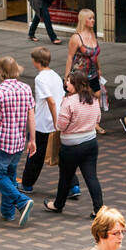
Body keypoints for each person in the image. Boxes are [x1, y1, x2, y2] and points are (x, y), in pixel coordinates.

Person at [44, 71, 103, 216]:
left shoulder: (68, 101)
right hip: (90, 143)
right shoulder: (93, 99)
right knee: (91, 177)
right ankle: (99, 209)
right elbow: (98, 119)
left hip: (71, 146)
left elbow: (61, 126)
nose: (66, 84)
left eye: (69, 82)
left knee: (65, 176)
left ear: (75, 84)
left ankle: (58, 204)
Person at [0, 57, 36, 225]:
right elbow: (31, 116)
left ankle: (21, 201)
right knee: (10, 175)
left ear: (1, 71)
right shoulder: (26, 88)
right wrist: (32, 140)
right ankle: (7, 212)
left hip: (3, 140)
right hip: (19, 140)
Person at [21, 46, 65, 193]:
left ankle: (27, 184)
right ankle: (73, 185)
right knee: (61, 154)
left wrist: (55, 121)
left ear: (36, 61)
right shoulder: (56, 76)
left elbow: (50, 101)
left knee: (35, 154)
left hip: (44, 123)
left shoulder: (40, 78)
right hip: (57, 121)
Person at [64, 8, 107, 126]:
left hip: (92, 72)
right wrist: (66, 76)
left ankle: (95, 123)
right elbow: (69, 57)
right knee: (80, 97)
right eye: (90, 18)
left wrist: (99, 68)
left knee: (97, 95)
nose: (93, 20)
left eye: (93, 18)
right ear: (83, 20)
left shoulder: (93, 35)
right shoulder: (76, 37)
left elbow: (95, 55)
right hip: (80, 74)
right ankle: (77, 120)